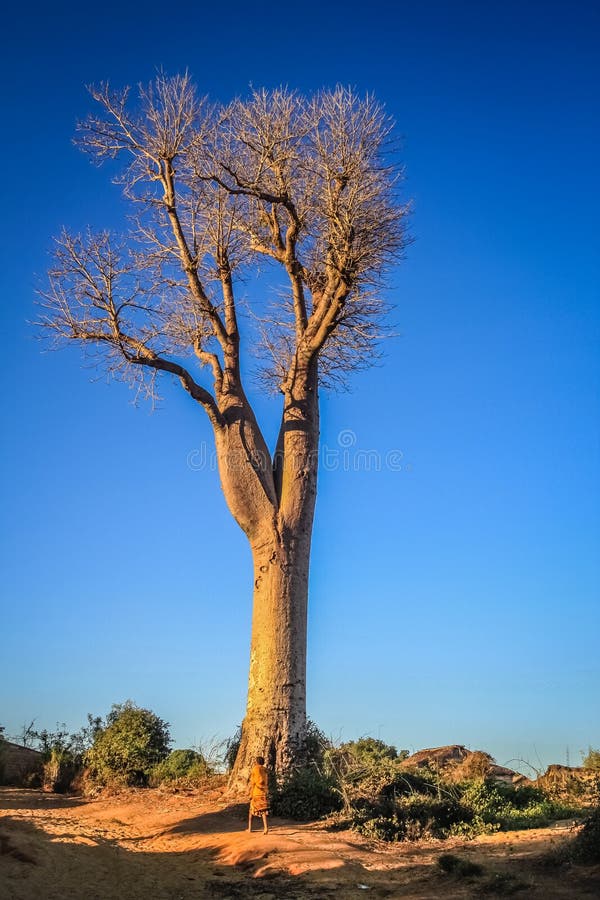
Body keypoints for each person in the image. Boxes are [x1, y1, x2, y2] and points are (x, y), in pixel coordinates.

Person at [248, 756, 270, 834]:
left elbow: (253, 782)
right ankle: (266, 828)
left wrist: (250, 793)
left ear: (256, 762)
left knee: (251, 811)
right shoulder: (265, 770)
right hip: (263, 792)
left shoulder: (255, 769)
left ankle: (250, 828)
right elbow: (265, 781)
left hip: (256, 793)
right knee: (263, 811)